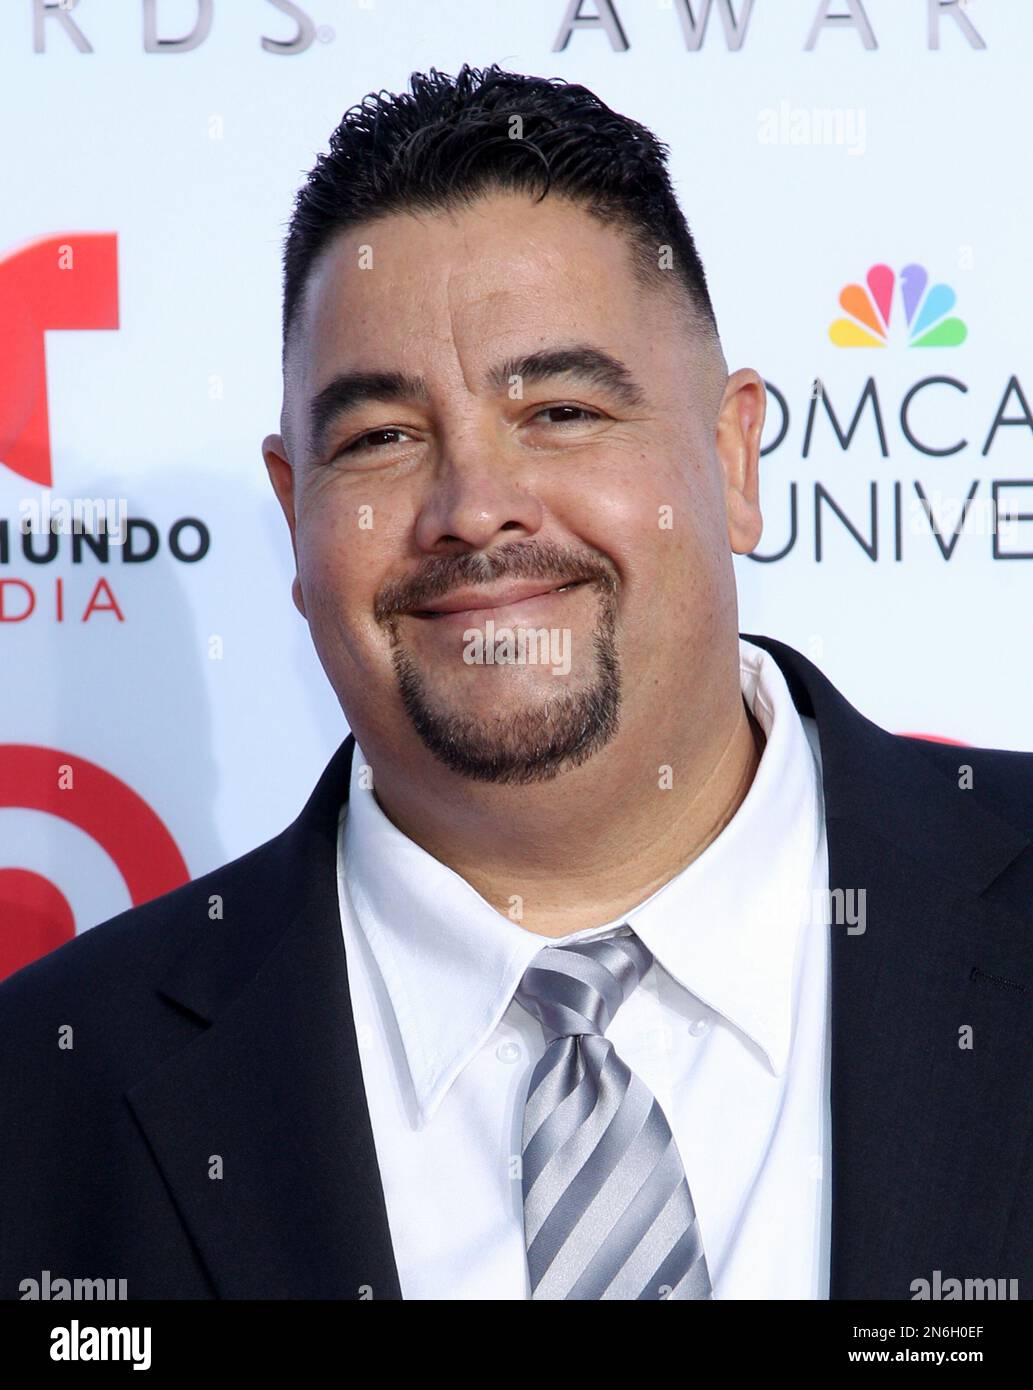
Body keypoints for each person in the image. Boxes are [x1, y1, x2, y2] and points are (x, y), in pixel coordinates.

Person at [3, 64, 1032, 1302]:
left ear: (733, 458)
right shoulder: (47, 1095)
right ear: (294, 515)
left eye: (559, 409)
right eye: (381, 437)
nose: (473, 507)